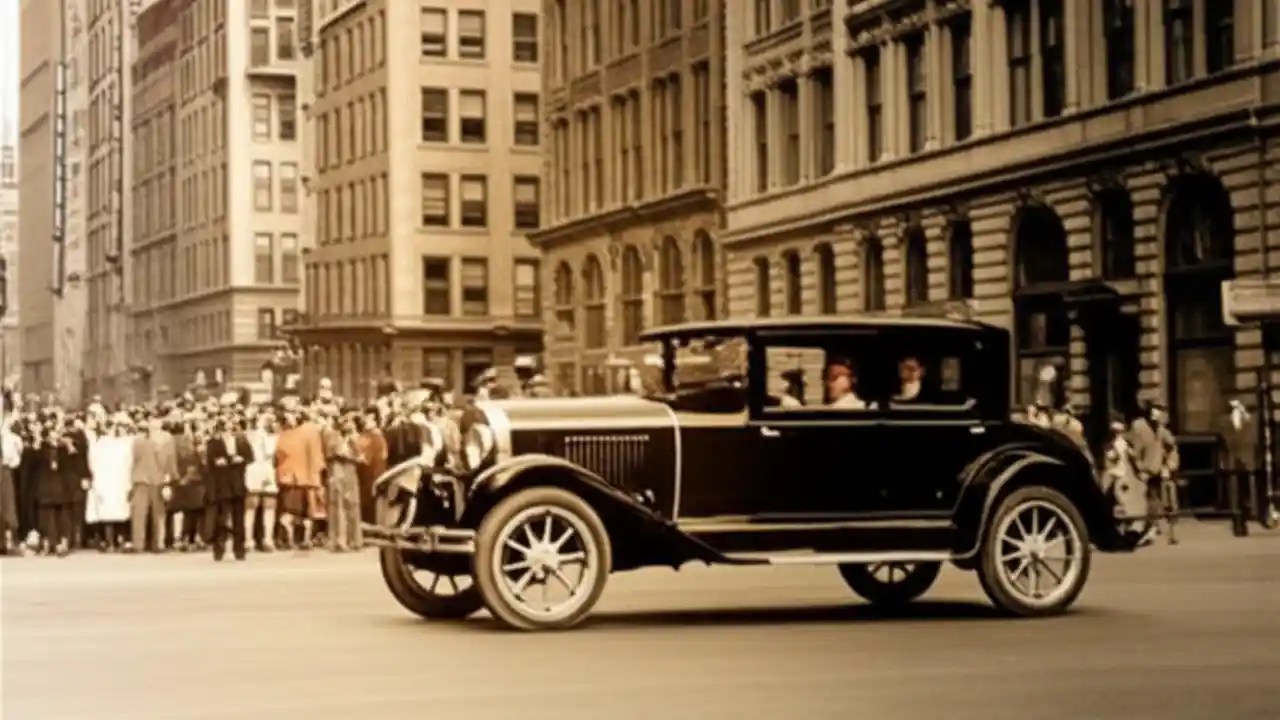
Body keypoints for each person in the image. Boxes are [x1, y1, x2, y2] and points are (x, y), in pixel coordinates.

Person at [1129, 402, 1180, 546]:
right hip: (1143, 471)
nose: (1158, 414)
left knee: (1165, 502)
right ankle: (1148, 530)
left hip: (1158, 471)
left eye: (1161, 411)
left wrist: (1169, 465)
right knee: (1146, 501)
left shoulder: (1161, 430)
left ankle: (1161, 531)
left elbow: (1172, 446)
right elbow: (1134, 448)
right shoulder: (1139, 426)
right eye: (1156, 410)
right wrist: (1138, 467)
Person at [205, 417, 252, 561]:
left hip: (237, 483)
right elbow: (209, 460)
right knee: (222, 519)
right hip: (222, 484)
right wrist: (217, 461)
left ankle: (240, 550)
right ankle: (219, 549)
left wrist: (242, 459)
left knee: (239, 519)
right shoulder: (214, 442)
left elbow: (250, 456)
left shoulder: (241, 441)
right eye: (226, 428)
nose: (229, 432)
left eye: (232, 429)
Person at [130, 416, 177, 553]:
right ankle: (158, 544)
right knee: (158, 514)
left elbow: (133, 460)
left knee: (139, 513)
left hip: (140, 479)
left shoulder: (138, 442)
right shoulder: (167, 441)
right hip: (159, 481)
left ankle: (138, 544)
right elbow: (169, 462)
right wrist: (169, 479)